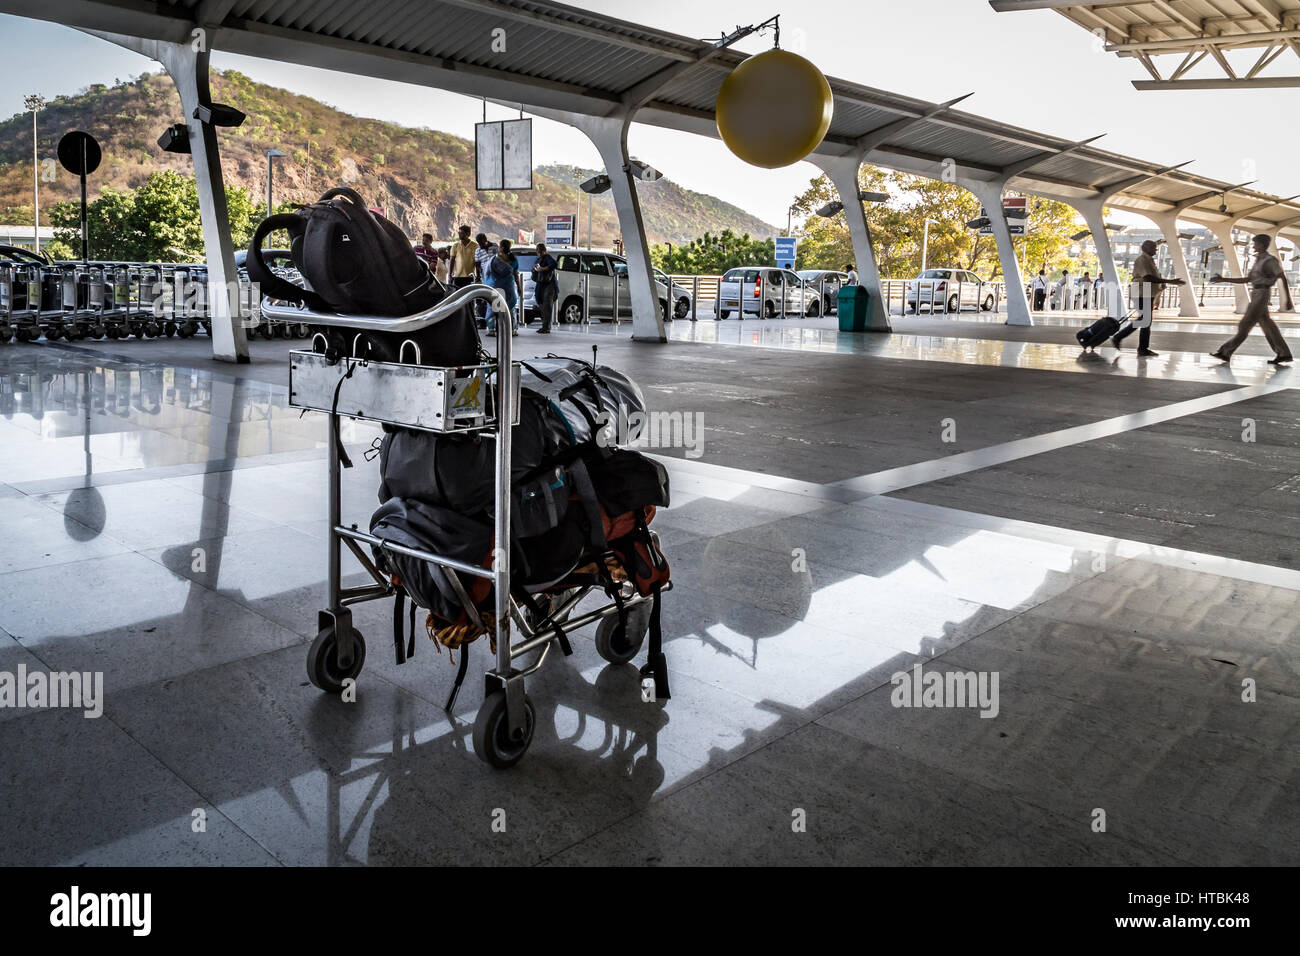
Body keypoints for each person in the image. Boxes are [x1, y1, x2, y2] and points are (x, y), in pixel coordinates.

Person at [1208, 234, 1293, 365]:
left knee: (1245, 325)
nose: (1254, 246)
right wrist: (1223, 279)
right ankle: (1284, 353)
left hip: (1262, 294)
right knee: (1268, 326)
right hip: (1256, 293)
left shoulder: (1269, 261)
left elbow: (1282, 277)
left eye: (1256, 243)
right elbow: (1248, 280)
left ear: (1262, 245)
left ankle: (1225, 351)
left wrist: (1288, 300)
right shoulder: (1258, 260)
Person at [1113, 239, 1183, 357]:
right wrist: (1169, 281)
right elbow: (1148, 277)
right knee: (1145, 320)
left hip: (1146, 291)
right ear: (1145, 248)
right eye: (1153, 248)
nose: (1156, 250)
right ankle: (1128, 341)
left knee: (1145, 320)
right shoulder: (1143, 260)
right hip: (1141, 290)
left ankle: (1139, 347)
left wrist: (1162, 283)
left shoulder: (1149, 260)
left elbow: (1153, 277)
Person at [484, 238, 518, 336]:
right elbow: (515, 274)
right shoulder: (514, 260)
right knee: (510, 308)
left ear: (501, 248)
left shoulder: (494, 260)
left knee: (494, 309)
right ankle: (513, 329)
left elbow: (487, 273)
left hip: (497, 286)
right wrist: (519, 288)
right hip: (509, 287)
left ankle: (492, 329)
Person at [531, 241, 558, 334]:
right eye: (538, 251)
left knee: (547, 306)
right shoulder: (538, 260)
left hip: (549, 285)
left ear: (544, 251)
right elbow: (534, 270)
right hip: (541, 285)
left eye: (540, 251)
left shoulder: (548, 258)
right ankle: (544, 326)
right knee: (542, 306)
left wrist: (543, 269)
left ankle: (546, 327)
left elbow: (554, 264)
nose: (539, 253)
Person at [448, 225, 477, 290]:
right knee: (458, 296)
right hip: (457, 276)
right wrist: (450, 275)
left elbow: (477, 262)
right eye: (459, 233)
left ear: (468, 234)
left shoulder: (475, 246)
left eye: (462, 233)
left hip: (470, 276)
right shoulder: (455, 246)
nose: (459, 235)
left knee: (469, 297)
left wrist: (478, 276)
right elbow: (452, 260)